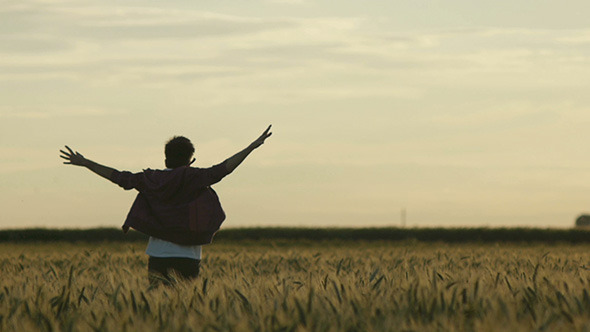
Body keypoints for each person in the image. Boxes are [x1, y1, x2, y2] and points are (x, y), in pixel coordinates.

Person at [59, 125, 272, 287]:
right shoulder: (194, 177)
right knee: (186, 313)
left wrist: (86, 163)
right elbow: (223, 169)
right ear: (191, 160)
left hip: (158, 256)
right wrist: (251, 147)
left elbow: (119, 177)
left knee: (157, 311)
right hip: (189, 257)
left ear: (165, 159)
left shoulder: (151, 179)